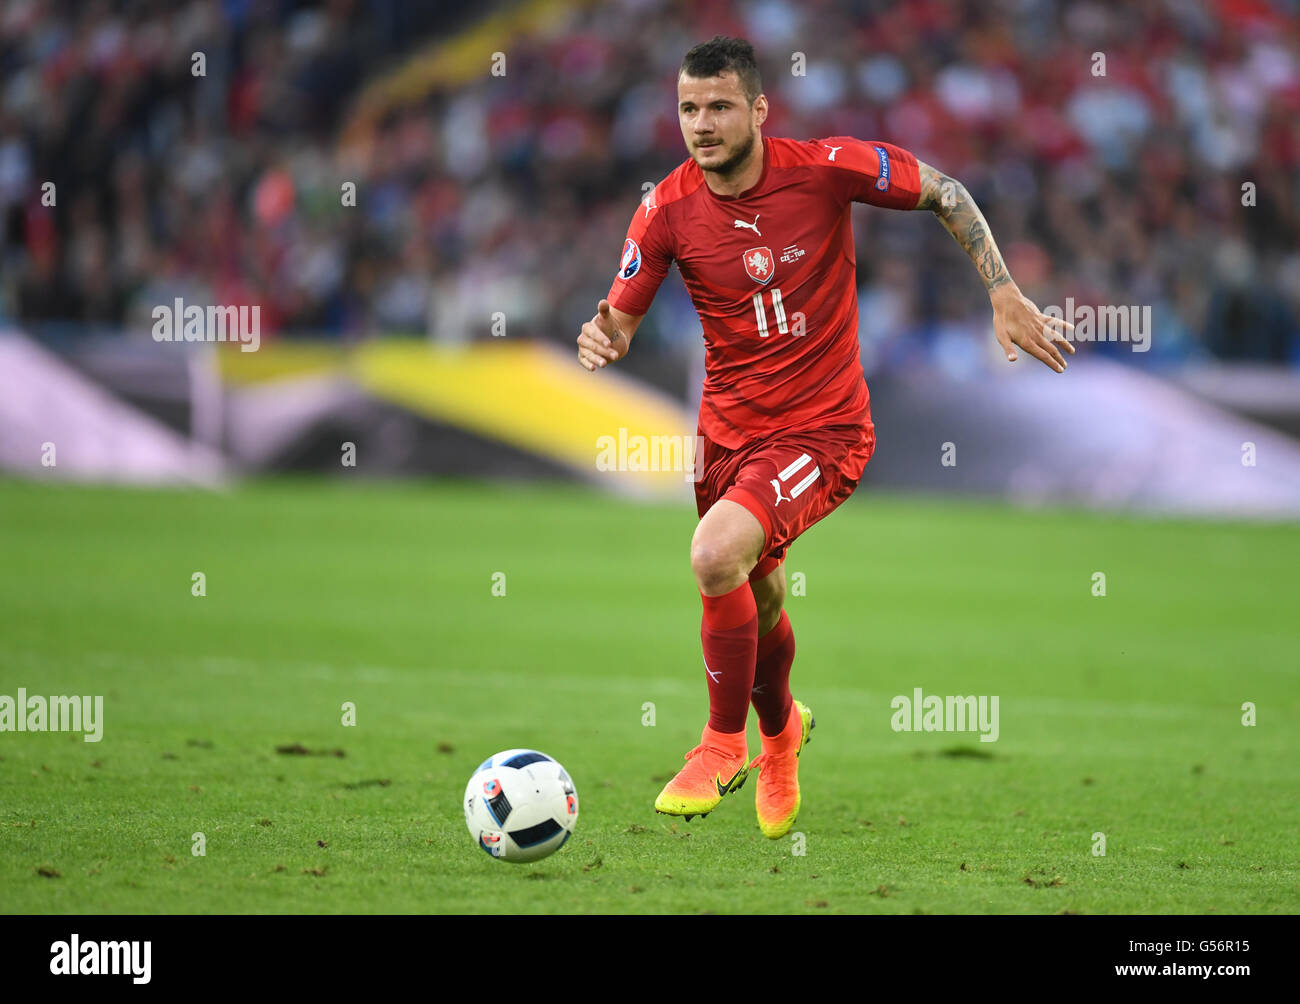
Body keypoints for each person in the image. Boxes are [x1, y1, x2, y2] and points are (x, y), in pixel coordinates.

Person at [576, 36, 1072, 838]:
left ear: (759, 110)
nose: (702, 124)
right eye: (689, 109)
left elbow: (945, 191)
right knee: (760, 594)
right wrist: (601, 338)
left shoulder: (826, 168)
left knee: (712, 555)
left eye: (719, 107)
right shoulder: (665, 207)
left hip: (824, 429)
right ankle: (782, 736)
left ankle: (721, 743)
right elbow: (618, 320)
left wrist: (1004, 289)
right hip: (727, 438)